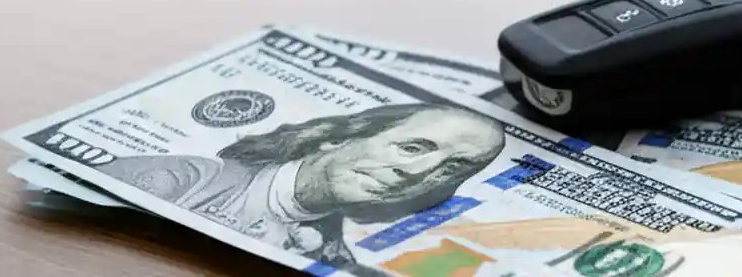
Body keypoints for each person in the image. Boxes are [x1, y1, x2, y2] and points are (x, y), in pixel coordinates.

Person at [101, 103, 505, 268]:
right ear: (336, 139)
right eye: (412, 147)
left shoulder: (337, 256)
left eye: (451, 168)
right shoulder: (184, 179)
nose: (419, 172)